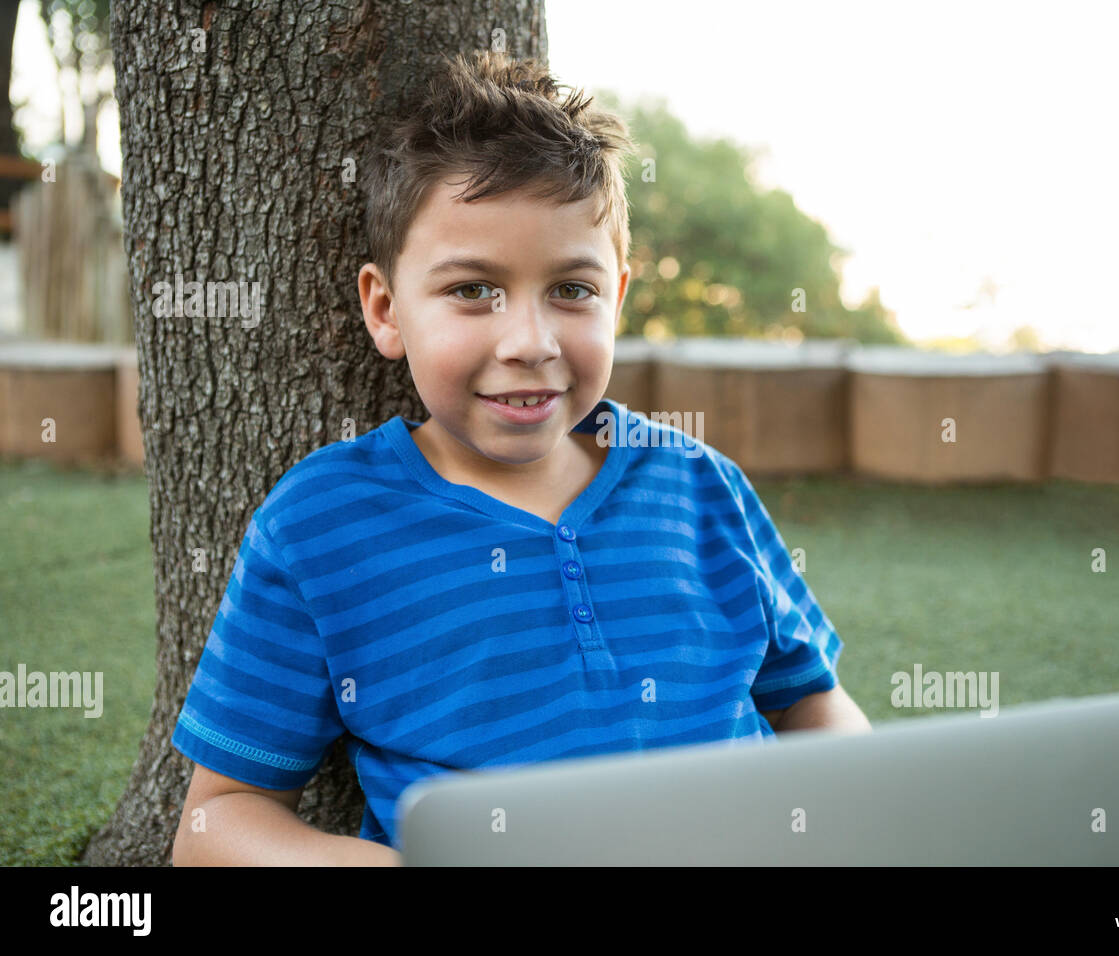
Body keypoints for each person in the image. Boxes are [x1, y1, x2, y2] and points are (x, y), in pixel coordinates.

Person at [170, 50, 870, 867]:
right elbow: (213, 824)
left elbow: (815, 708)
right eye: (473, 290)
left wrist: (835, 817)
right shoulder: (321, 525)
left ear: (619, 296)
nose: (529, 343)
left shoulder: (700, 486)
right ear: (386, 310)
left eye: (572, 290)